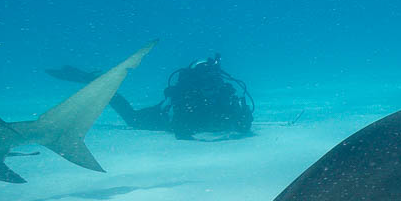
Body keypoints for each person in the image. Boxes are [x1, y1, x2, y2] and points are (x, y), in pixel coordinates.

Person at [46, 53, 254, 140]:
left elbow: (241, 122)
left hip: (188, 118)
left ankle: (91, 79)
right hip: (163, 117)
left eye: (214, 82)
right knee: (132, 118)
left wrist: (242, 120)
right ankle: (90, 80)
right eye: (207, 82)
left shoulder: (225, 92)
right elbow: (180, 128)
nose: (212, 87)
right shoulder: (188, 95)